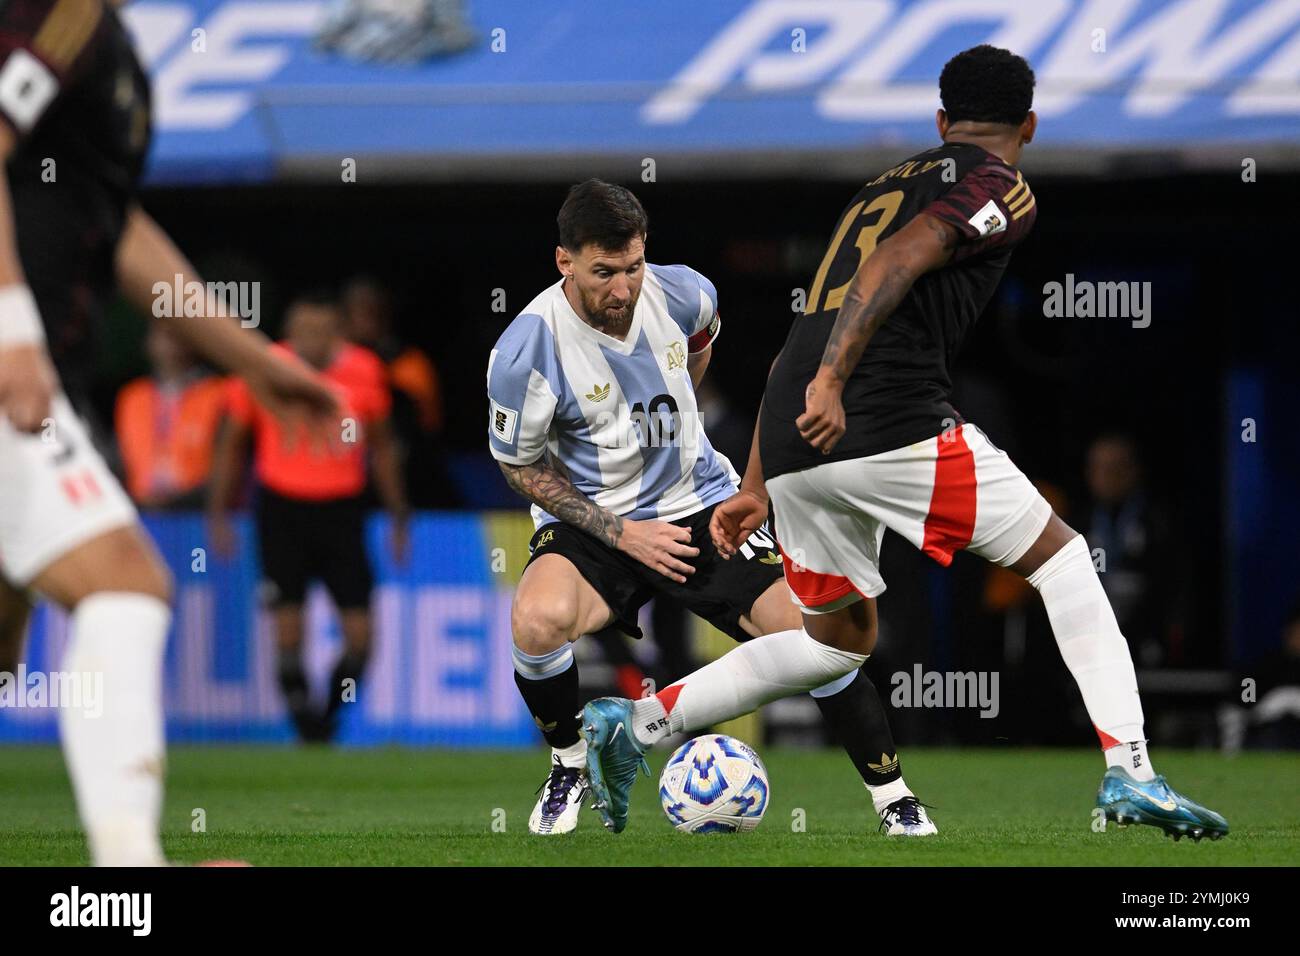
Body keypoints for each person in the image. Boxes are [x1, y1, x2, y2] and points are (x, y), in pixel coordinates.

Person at [597, 43, 1225, 841]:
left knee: (835, 643)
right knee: (1065, 559)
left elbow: (804, 331)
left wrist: (756, 480)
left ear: (940, 121)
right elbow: (899, 262)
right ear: (1028, 124)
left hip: (795, 443)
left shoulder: (878, 188)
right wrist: (833, 383)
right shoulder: (1003, 184)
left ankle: (639, 725)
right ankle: (1133, 772)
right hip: (882, 421)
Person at [0, 0, 339, 866]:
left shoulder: (100, 41)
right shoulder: (59, 11)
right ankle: (130, 878)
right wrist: (10, 328)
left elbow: (116, 232)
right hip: (14, 368)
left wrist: (253, 361)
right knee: (124, 586)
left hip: (40, 378)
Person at [488, 179, 931, 836]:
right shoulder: (526, 351)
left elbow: (699, 345)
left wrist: (678, 425)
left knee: (816, 636)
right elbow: (518, 463)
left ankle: (894, 799)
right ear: (565, 262)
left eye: (632, 267)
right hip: (594, 524)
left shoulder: (685, 292)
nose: (622, 289)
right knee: (536, 621)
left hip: (701, 505)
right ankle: (569, 764)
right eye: (603, 272)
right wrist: (622, 532)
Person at [209, 292, 410, 742]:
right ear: (290, 333)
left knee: (361, 637)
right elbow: (233, 444)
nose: (311, 343)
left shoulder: (363, 370)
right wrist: (219, 511)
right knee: (287, 630)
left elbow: (381, 447)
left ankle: (328, 714)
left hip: (342, 511)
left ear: (336, 333)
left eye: (321, 333)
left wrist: (399, 513)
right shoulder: (264, 367)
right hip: (281, 510)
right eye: (303, 333)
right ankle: (307, 727)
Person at [114, 321, 227, 508]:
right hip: (140, 510)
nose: (172, 344)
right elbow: (118, 459)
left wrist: (177, 500)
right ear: (149, 341)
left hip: (197, 514)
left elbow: (228, 461)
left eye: (179, 335)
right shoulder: (132, 397)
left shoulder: (217, 394)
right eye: (164, 335)